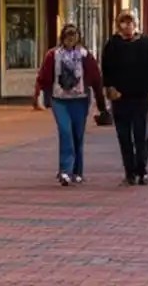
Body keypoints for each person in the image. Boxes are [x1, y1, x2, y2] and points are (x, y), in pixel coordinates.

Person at [34, 24, 106, 186]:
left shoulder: (85, 55)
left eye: (74, 35)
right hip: (60, 100)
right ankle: (65, 170)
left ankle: (77, 171)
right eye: (68, 36)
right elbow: (43, 77)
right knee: (65, 132)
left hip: (80, 100)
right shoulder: (53, 55)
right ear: (62, 37)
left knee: (77, 135)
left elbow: (96, 79)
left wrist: (101, 105)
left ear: (79, 37)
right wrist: (39, 96)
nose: (71, 39)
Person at [101, 9, 148, 186]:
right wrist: (109, 88)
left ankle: (142, 169)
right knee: (124, 136)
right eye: (123, 22)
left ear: (136, 24)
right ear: (118, 24)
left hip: (141, 97)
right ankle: (129, 171)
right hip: (120, 98)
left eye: (130, 22)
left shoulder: (147, 44)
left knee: (141, 135)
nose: (127, 26)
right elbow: (106, 69)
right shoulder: (112, 44)